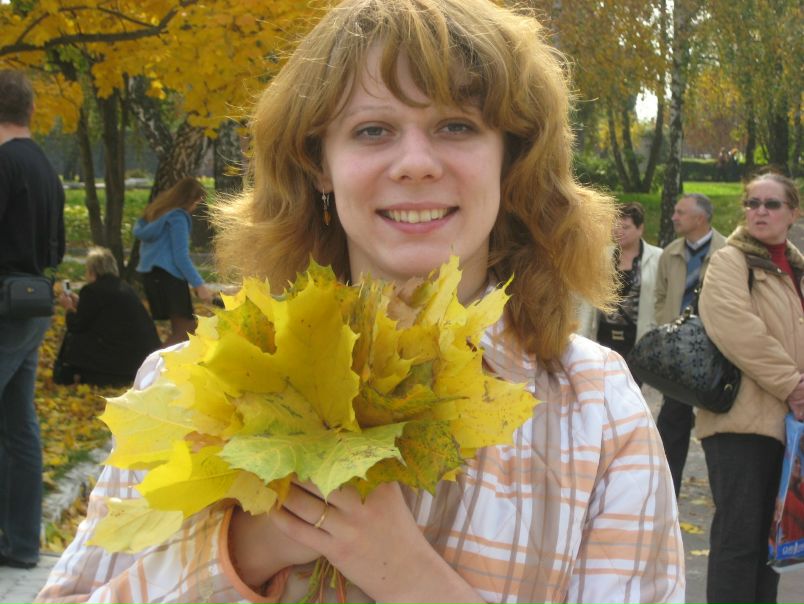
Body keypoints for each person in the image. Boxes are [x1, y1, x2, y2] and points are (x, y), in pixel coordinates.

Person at [36, 1, 684, 602]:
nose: (415, 163)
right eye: (373, 130)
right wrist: (244, 551)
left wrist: (407, 574)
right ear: (320, 163)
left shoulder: (597, 412)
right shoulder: (191, 386)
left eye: (456, 125)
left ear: (510, 157)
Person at [697, 173, 803, 604]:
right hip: (740, 424)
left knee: (772, 546)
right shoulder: (730, 260)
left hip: (787, 428)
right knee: (738, 542)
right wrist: (793, 385)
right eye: (752, 203)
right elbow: (738, 330)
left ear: (793, 214)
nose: (760, 211)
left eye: (771, 204)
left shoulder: (796, 268)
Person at [0, 69, 65, 569]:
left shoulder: (3, 164)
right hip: (33, 304)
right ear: (32, 110)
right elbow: (56, 247)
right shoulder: (45, 166)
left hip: (3, 306)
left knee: (18, 423)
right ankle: (22, 543)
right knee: (19, 424)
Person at [654, 193, 726, 497]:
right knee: (672, 422)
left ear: (700, 218)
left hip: (717, 352)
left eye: (680, 212)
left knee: (718, 423)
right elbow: (660, 296)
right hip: (679, 354)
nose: (674, 217)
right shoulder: (670, 253)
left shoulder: (728, 253)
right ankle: (666, 491)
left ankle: (722, 491)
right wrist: (667, 327)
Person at [53, 247, 160, 387]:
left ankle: (69, 372)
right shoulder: (124, 287)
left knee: (74, 337)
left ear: (92, 272)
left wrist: (68, 308)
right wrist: (81, 303)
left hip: (119, 362)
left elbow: (76, 325)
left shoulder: (92, 290)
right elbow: (105, 315)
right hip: (143, 359)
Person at [577, 202, 662, 375]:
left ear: (640, 229)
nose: (619, 231)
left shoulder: (658, 257)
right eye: (615, 226)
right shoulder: (601, 255)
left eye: (626, 227)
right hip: (604, 336)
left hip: (639, 336)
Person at [133, 176, 213, 346]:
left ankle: (158, 361)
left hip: (152, 277)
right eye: (196, 203)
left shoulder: (155, 215)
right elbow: (180, 257)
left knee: (185, 330)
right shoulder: (178, 218)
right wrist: (199, 285)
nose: (194, 208)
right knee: (185, 331)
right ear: (188, 199)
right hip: (170, 279)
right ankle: (153, 362)